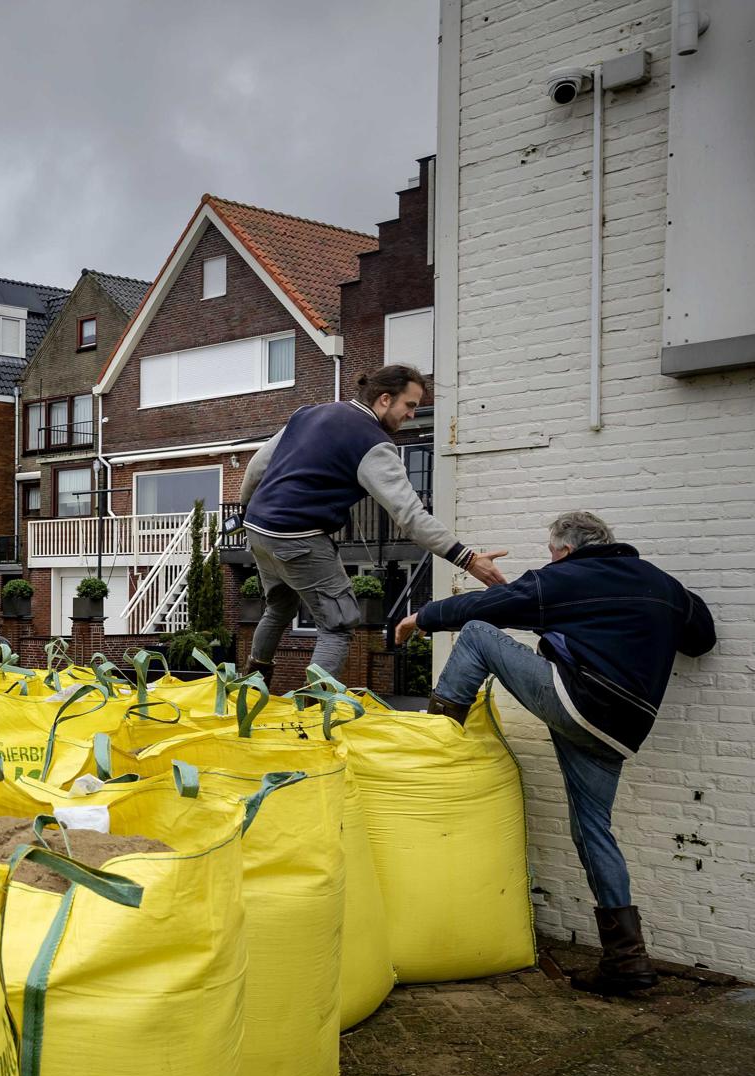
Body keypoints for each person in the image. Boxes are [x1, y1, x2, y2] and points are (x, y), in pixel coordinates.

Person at [395, 511, 716, 996]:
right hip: (622, 730)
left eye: (551, 554)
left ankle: (433, 746)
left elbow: (496, 602)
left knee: (479, 634)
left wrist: (425, 617)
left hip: (581, 700)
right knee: (593, 829)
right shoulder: (664, 586)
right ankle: (627, 961)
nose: (550, 560)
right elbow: (703, 637)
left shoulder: (565, 578)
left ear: (565, 550)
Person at [238, 364, 508, 685]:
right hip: (301, 537)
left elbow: (256, 467)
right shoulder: (374, 443)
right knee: (337, 627)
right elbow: (410, 517)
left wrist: (246, 513)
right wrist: (469, 560)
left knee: (279, 607)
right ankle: (310, 719)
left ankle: (249, 689)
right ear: (384, 399)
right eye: (410, 405)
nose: (411, 415)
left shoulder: (308, 413)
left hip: (258, 528)